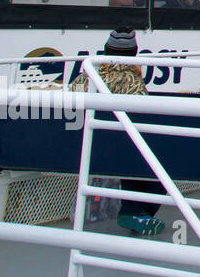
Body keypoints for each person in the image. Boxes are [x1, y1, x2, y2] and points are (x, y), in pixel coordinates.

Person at [67, 28, 165, 237]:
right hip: (114, 152)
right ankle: (135, 211)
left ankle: (134, 211)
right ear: (134, 53)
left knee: (128, 152)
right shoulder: (132, 83)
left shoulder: (83, 78)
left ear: (106, 50)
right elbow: (143, 120)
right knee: (153, 160)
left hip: (79, 148)